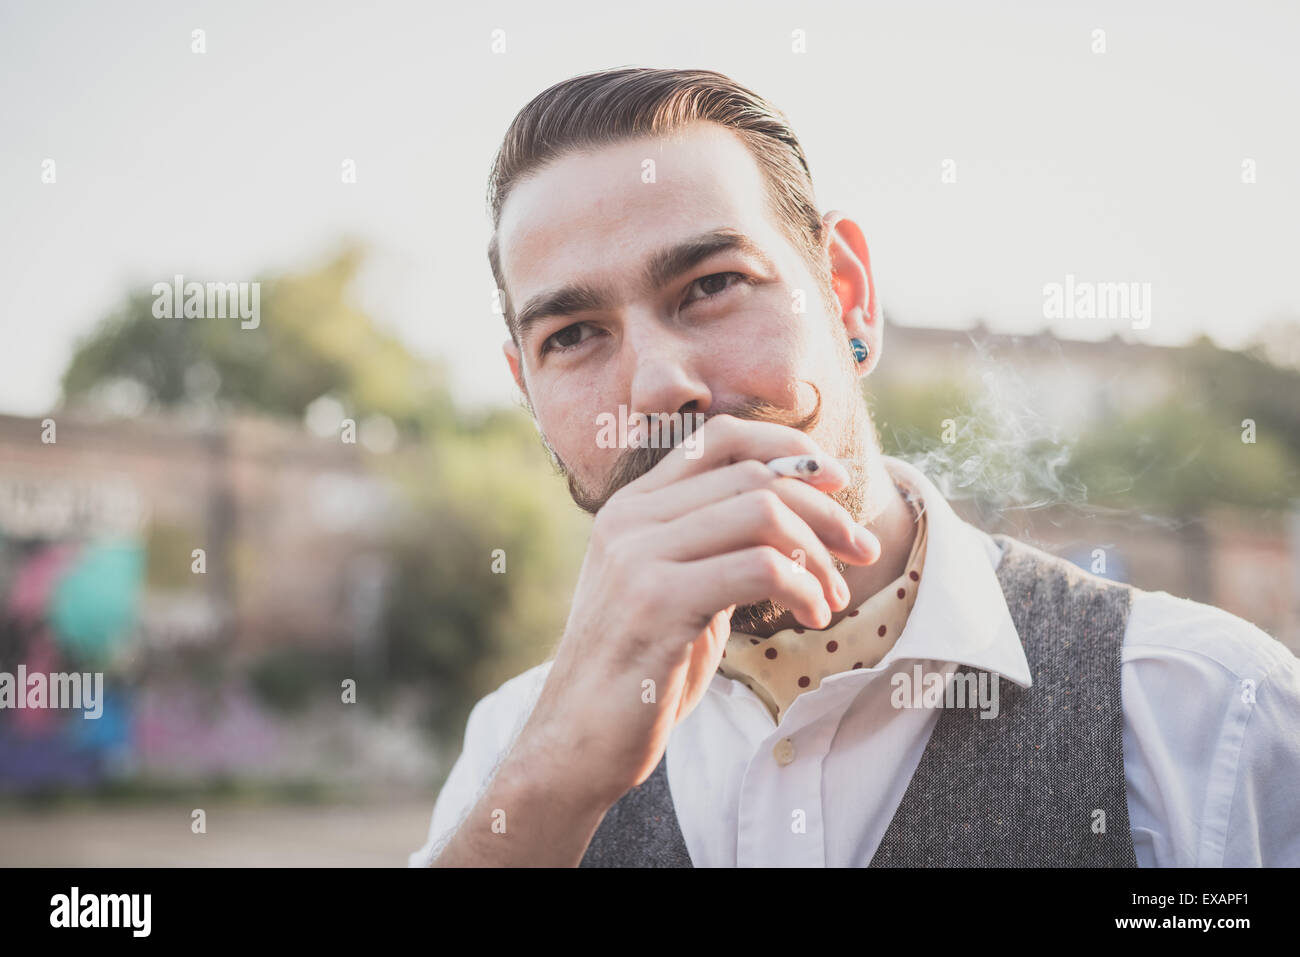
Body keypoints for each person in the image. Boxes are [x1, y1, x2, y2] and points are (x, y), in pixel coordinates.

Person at [410, 67, 1300, 867]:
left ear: (846, 294)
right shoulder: (507, 749)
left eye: (713, 284)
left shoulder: (1209, 713)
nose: (659, 387)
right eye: (571, 335)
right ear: (528, 393)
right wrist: (547, 790)